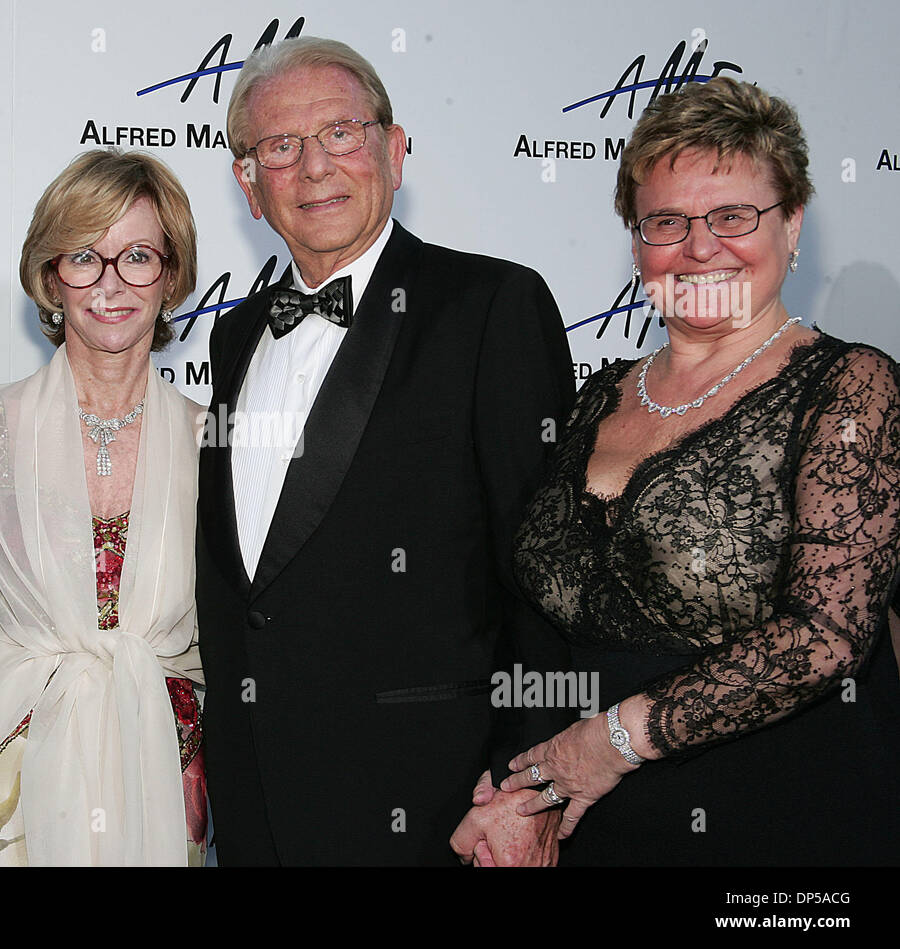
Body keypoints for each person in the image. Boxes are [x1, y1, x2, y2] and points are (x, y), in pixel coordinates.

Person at [196, 36, 576, 865]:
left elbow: (547, 584)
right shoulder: (235, 336)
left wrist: (529, 791)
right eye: (279, 147)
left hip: (438, 803)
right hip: (253, 799)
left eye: (341, 132)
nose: (314, 166)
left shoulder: (491, 306)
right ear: (248, 184)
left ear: (395, 151)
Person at [503, 77, 900, 865]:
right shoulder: (596, 397)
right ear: (637, 242)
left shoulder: (852, 386)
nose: (699, 245)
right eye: (667, 222)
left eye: (733, 216)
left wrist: (610, 743)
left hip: (791, 828)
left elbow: (825, 637)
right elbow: (539, 633)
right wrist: (521, 795)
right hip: (599, 830)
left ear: (792, 225)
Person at [0, 149, 205, 867]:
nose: (111, 284)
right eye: (84, 256)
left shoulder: (210, 444)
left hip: (162, 779)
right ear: (51, 276)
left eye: (138, 256)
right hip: (0, 782)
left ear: (171, 275)